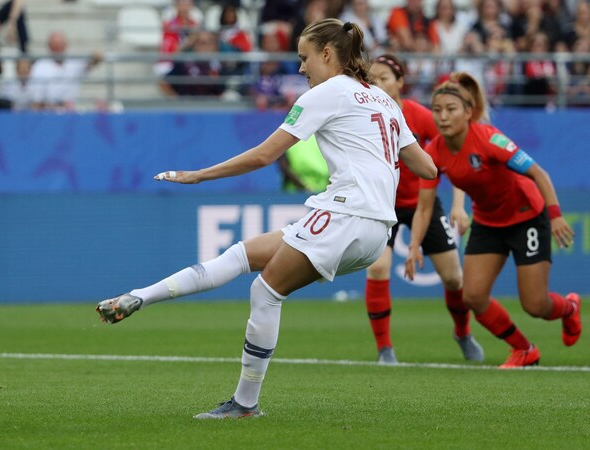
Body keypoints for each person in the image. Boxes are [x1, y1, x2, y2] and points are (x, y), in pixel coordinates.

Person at [97, 18, 437, 419]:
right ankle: (140, 296)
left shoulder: (327, 93)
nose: (300, 68)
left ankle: (244, 403)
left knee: (265, 292)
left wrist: (197, 175)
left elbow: (263, 155)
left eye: (304, 57)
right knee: (242, 254)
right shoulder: (384, 100)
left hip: (346, 214)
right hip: (377, 230)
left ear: (327, 54)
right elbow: (429, 168)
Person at [405, 72, 581, 369]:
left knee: (535, 305)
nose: (443, 117)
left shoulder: (489, 139)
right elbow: (424, 208)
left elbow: (539, 174)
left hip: (527, 217)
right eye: (437, 111)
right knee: (472, 296)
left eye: (451, 109)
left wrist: (555, 216)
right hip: (487, 222)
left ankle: (569, 308)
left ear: (469, 112)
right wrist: (413, 246)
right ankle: (524, 350)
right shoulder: (433, 150)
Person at [363, 54, 483, 365]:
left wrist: (458, 205)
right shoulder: (363, 118)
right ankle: (385, 349)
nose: (376, 83)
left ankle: (462, 332)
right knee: (377, 268)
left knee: (454, 278)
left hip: (423, 204)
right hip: (380, 206)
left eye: (384, 78)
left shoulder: (420, 115)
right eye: (371, 78)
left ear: (400, 83)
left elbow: (456, 152)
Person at [29, 31, 102, 111]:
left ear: (66, 46)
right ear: (49, 47)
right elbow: (36, 100)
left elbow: (93, 62)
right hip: (48, 113)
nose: (59, 49)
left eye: (62, 45)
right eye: (56, 46)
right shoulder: (40, 66)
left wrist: (96, 56)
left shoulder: (73, 62)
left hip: (70, 113)